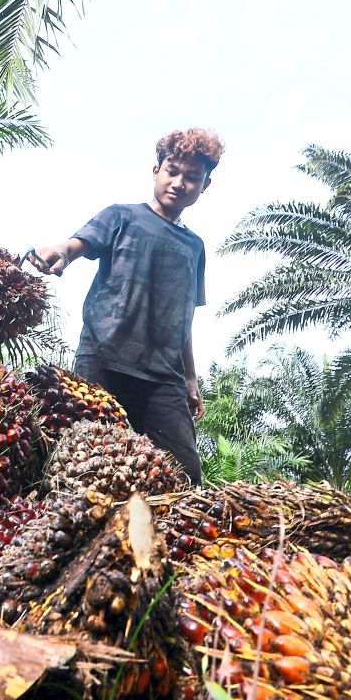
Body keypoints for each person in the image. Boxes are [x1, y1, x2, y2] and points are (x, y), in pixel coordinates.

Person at [32, 128, 222, 485]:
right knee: (76, 465)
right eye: (172, 171)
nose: (179, 182)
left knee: (186, 476)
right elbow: (76, 245)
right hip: (104, 362)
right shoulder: (122, 217)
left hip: (163, 377)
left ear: (205, 186)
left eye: (192, 177)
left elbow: (184, 317)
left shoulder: (194, 247)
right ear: (156, 171)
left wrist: (191, 378)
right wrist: (57, 253)